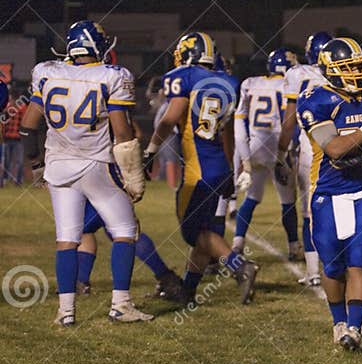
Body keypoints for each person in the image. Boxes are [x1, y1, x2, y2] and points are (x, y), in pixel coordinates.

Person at [19, 20, 152, 326]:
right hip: (95, 164)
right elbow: (121, 132)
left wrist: (36, 164)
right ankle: (121, 304)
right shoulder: (112, 76)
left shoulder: (48, 72)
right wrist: (132, 173)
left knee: (66, 238)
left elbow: (28, 126)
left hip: (57, 164)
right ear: (100, 47)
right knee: (125, 230)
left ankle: (65, 311)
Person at [144, 32, 259, 306]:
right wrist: (231, 171)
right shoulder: (230, 82)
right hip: (219, 164)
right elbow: (228, 134)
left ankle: (239, 266)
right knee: (206, 233)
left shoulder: (184, 77)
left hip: (198, 171)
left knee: (193, 232)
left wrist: (150, 150)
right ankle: (188, 290)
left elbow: (170, 118)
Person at [296, 40, 362, 350]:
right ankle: (338, 322)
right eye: (348, 68)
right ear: (330, 72)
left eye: (360, 67)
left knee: (359, 262)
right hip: (328, 193)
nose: (357, 73)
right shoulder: (315, 100)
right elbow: (333, 148)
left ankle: (354, 328)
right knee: (333, 266)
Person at [277, 32, 334, 287]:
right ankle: (337, 266)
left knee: (310, 212)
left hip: (311, 147)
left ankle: (313, 271)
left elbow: (289, 119)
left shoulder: (297, 73)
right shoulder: (338, 71)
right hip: (339, 142)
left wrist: (280, 152)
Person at [232, 48, 300, 260]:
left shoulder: (250, 83)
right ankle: (294, 247)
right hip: (277, 146)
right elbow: (289, 119)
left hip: (254, 146)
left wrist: (244, 155)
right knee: (288, 201)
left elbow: (240, 119)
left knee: (251, 197)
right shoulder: (288, 85)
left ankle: (237, 242)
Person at [1, 86, 26, 186]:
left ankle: (16, 181)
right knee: (10, 162)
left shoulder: (20, 107)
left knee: (14, 161)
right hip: (10, 138)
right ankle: (7, 180)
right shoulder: (8, 107)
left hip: (16, 138)